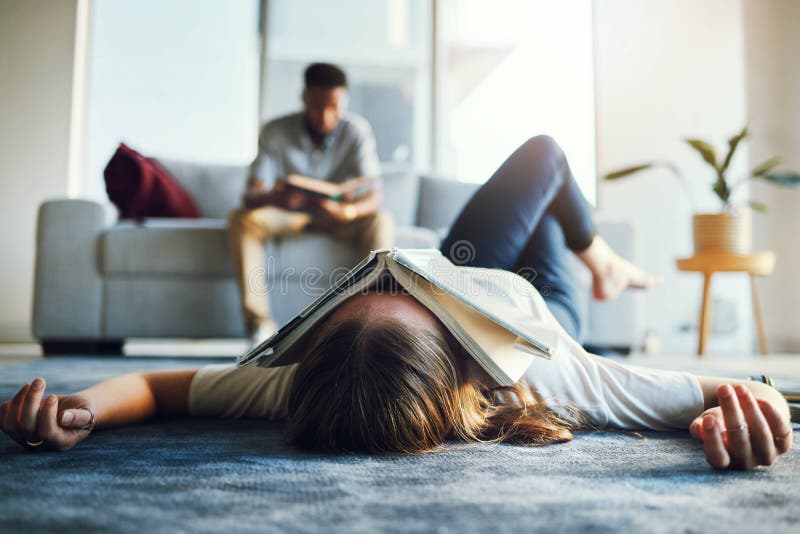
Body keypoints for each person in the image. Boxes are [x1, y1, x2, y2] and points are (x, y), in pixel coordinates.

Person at [2, 137, 792, 470]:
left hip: (471, 262)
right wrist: (753, 416)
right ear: (460, 363)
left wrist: (82, 409)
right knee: (548, 172)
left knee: (539, 160)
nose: (385, 276)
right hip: (547, 306)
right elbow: (746, 392)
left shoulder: (301, 374)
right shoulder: (554, 381)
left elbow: (153, 389)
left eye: (377, 286)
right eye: (414, 296)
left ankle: (601, 257)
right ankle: (599, 267)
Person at [227, 62, 394, 344]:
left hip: (337, 216)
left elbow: (374, 195)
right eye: (319, 107)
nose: (326, 117)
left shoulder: (356, 132)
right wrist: (275, 197)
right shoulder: (275, 131)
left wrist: (348, 210)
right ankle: (259, 324)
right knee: (241, 219)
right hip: (289, 214)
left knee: (381, 221)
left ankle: (368, 320)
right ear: (304, 98)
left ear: (344, 101)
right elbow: (250, 196)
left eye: (335, 107)